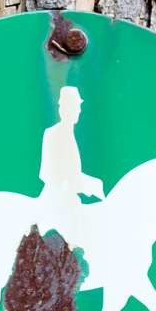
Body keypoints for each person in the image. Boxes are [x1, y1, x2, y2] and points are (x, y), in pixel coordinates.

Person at [35, 85, 104, 244]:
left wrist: (90, 183)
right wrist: (81, 184)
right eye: (74, 106)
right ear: (63, 108)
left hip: (69, 199)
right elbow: (47, 173)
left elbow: (73, 172)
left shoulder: (71, 135)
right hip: (56, 200)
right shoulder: (53, 133)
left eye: (78, 106)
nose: (78, 110)